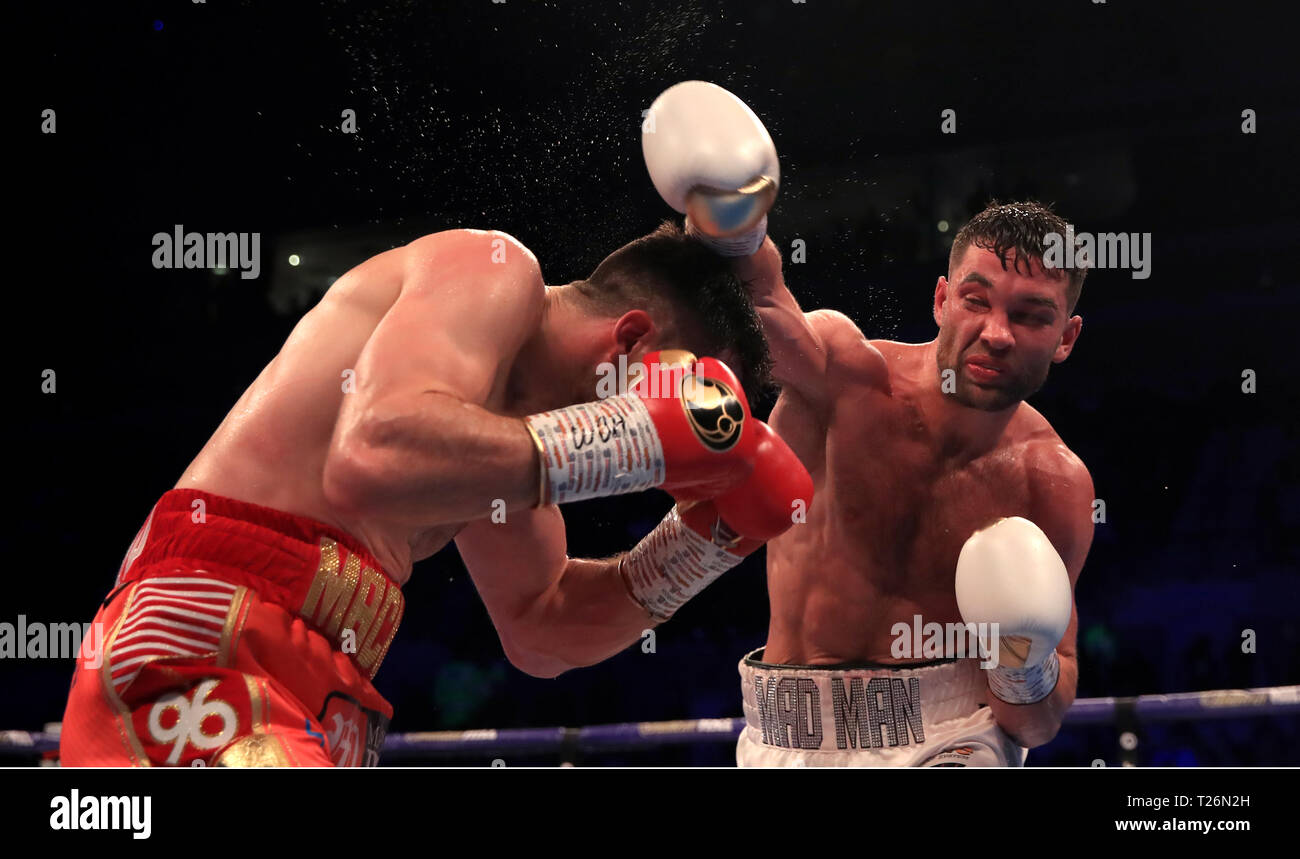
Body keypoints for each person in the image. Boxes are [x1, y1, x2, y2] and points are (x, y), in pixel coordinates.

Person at [59, 222, 812, 766]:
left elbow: (542, 627)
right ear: (633, 342)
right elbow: (370, 452)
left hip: (316, 692)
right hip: (205, 643)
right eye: (692, 402)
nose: (673, 470)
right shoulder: (492, 268)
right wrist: (631, 437)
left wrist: (708, 542)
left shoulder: (495, 450)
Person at [642, 82, 1092, 767]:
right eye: (977, 301)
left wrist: (1022, 667)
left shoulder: (1052, 481)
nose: (997, 334)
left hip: (954, 736)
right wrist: (733, 219)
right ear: (942, 299)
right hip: (787, 734)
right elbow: (761, 304)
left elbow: (1037, 722)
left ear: (1066, 337)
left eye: (1031, 316)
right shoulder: (846, 377)